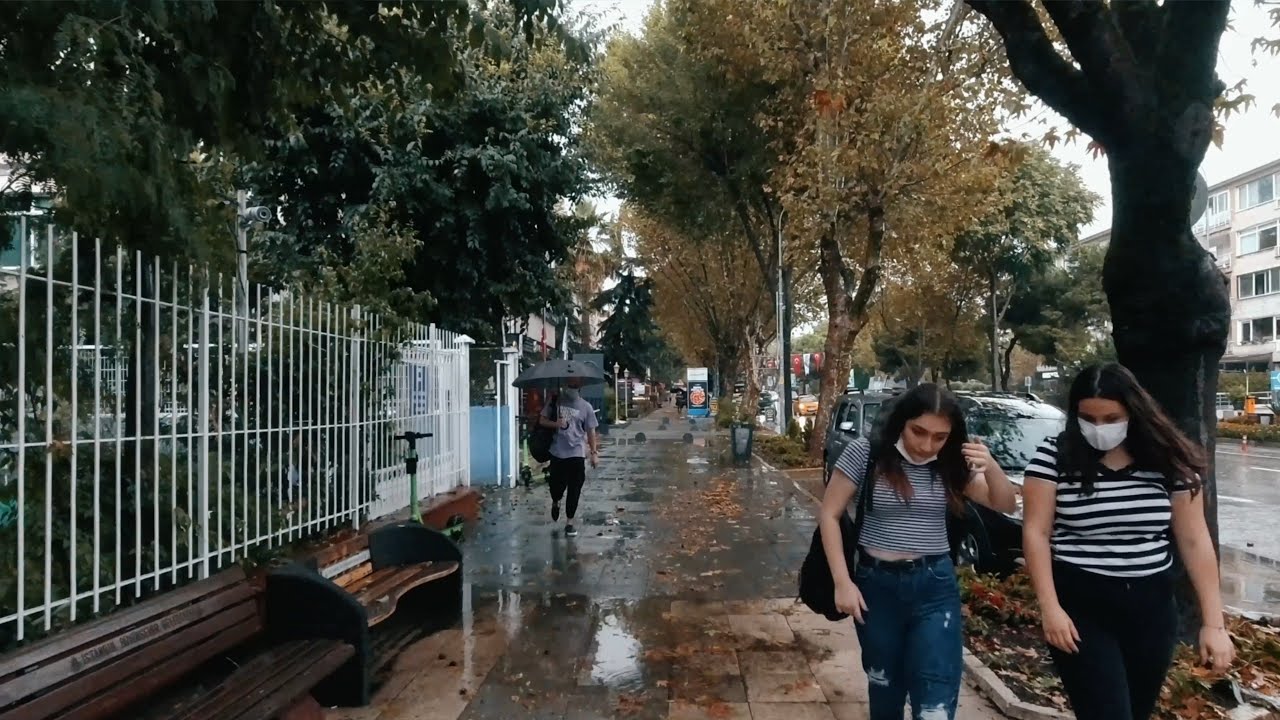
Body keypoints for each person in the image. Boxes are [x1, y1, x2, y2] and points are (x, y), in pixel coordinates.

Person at [1022, 363, 1234, 720]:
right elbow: (1036, 533)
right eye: (1088, 418)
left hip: (1151, 610)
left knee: (1136, 712)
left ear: (1134, 413)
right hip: (1081, 609)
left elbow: (1195, 540)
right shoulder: (1054, 457)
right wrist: (1050, 608)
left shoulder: (1167, 461)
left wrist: (1214, 624)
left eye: (1111, 418)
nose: (1099, 428)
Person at [820, 384, 1018, 720]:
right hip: (876, 586)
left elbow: (1004, 503)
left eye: (939, 437)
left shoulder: (952, 465)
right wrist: (842, 581)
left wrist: (992, 467)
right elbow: (829, 513)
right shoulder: (865, 454)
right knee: (885, 686)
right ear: (901, 422)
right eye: (918, 432)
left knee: (935, 699)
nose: (926, 446)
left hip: (934, 588)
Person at [537, 376, 599, 537]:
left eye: (575, 384)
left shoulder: (586, 407)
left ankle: (570, 522)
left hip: (577, 454)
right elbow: (542, 421)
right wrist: (555, 424)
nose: (571, 387)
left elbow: (591, 432)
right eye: (569, 384)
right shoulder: (555, 401)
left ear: (580, 386)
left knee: (575, 488)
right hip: (557, 453)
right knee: (556, 487)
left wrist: (593, 453)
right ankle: (556, 501)